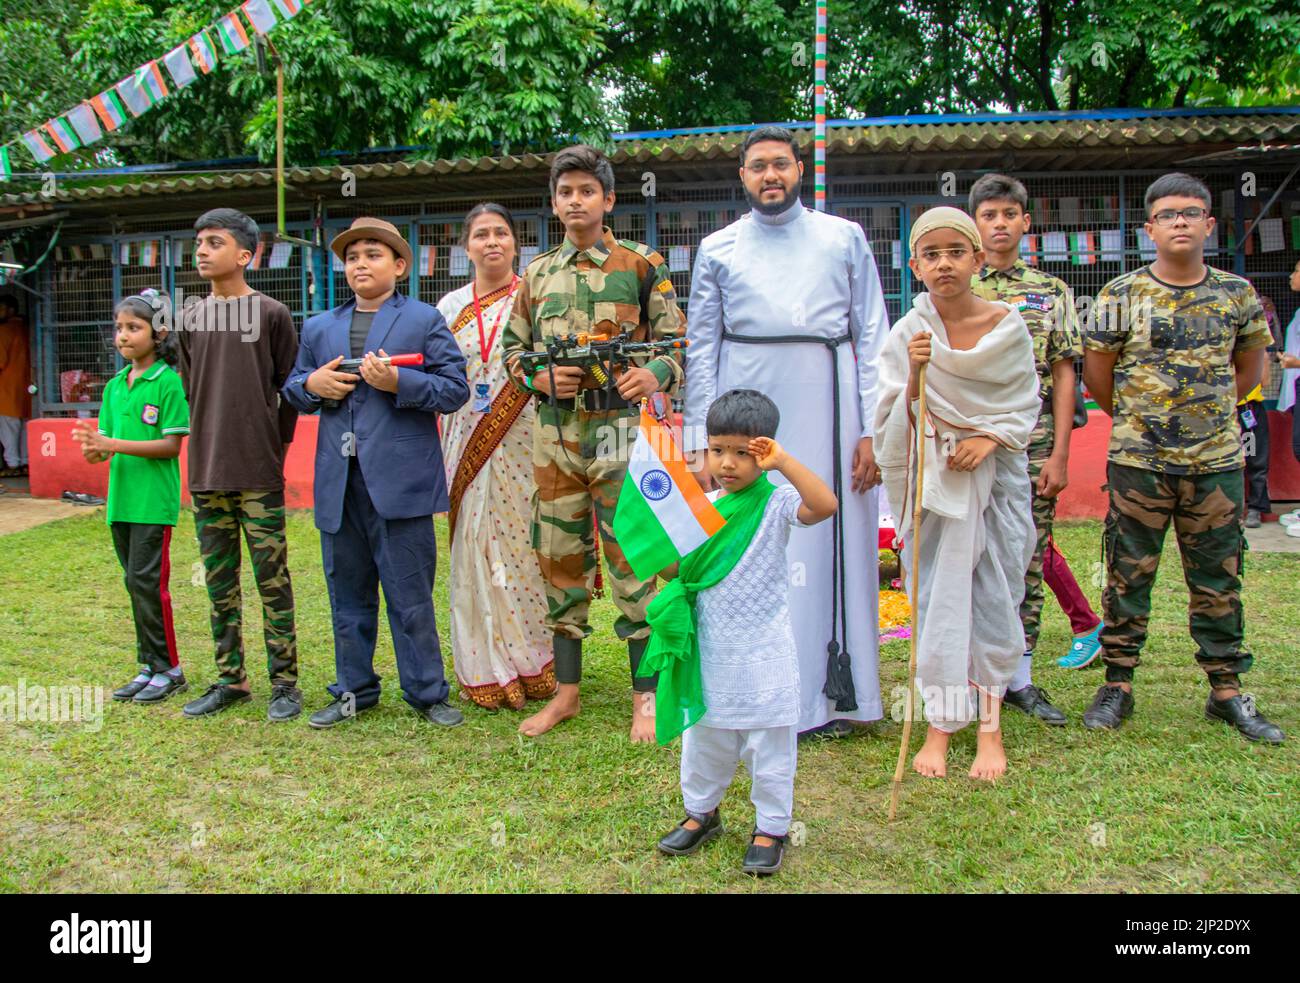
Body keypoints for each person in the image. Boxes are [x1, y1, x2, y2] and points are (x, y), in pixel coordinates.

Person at [684, 124, 888, 736]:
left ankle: (837, 693)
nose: (770, 175)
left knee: (831, 537)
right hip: (746, 401)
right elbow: (701, 343)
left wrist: (873, 427)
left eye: (780, 164)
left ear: (800, 170)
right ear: (741, 177)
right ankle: (755, 692)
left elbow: (873, 331)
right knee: (752, 543)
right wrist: (700, 436)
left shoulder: (843, 237)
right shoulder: (717, 248)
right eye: (757, 167)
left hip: (831, 398)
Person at [1082, 173, 1284, 743]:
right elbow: (1100, 374)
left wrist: (1211, 415)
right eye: (1167, 214)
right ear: (1149, 228)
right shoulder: (1120, 295)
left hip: (1216, 463)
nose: (1179, 222)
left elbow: (1251, 370)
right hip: (1139, 462)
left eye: (1191, 213)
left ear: (1208, 225)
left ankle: (1226, 691)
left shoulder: (1236, 294)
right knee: (1127, 576)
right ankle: (1117, 683)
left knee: (1219, 580)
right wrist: (1138, 418)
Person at [501, 144, 686, 741]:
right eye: (565, 192)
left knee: (634, 561)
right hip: (554, 439)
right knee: (559, 561)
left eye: (587, 191)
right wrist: (538, 376)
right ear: (554, 204)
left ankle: (647, 696)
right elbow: (511, 353)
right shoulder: (535, 275)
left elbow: (677, 344)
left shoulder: (640, 264)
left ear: (608, 200)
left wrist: (651, 375)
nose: (575, 201)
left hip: (619, 434)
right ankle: (567, 694)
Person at [283, 218, 469, 729]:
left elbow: (454, 390)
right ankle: (354, 691)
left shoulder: (424, 319)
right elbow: (294, 388)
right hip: (338, 483)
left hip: (401, 482)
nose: (361, 264)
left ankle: (427, 693)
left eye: (373, 254)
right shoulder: (319, 327)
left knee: (410, 595)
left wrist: (398, 381)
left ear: (399, 266)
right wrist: (315, 384)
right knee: (347, 594)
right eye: (353, 257)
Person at [875, 206, 1039, 781]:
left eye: (955, 252)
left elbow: (1023, 406)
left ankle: (990, 730)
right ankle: (940, 726)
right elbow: (891, 418)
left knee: (993, 597)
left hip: (993, 484)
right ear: (916, 265)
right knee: (936, 601)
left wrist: (989, 439)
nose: (944, 264)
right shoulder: (909, 333)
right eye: (932, 255)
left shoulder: (1008, 326)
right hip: (934, 487)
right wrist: (917, 376)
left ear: (976, 258)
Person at [654, 389, 837, 875]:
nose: (727, 464)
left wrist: (784, 463)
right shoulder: (704, 507)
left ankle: (770, 827)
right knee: (705, 739)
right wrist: (657, 555)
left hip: (764, 650)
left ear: (764, 450)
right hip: (711, 649)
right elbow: (679, 570)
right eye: (718, 450)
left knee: (769, 745)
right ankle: (701, 813)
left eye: (742, 452)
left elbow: (825, 505)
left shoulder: (776, 502)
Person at [969, 173, 1097, 706]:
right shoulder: (956, 283)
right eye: (989, 215)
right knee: (969, 554)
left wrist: (1062, 454)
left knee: (1027, 552)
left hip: (1034, 443)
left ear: (1026, 222)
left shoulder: (1051, 292)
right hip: (968, 442)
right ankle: (971, 674)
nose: (999, 224)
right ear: (975, 223)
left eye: (1008, 215)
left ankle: (1019, 676)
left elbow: (1065, 372)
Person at [175, 208, 303, 722]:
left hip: (258, 471)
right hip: (206, 469)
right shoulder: (188, 318)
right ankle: (232, 679)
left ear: (245, 255)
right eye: (198, 242)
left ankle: (286, 684)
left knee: (272, 578)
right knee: (218, 582)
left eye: (214, 242)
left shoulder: (272, 314)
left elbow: (290, 391)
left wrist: (273, 449)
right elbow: (192, 388)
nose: (202, 250)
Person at [435, 204, 554, 710]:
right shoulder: (449, 307)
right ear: (467, 248)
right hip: (465, 437)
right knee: (473, 549)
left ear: (514, 243)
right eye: (480, 234)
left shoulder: (535, 296)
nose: (491, 242)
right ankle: (483, 667)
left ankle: (532, 663)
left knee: (523, 551)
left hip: (526, 438)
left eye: (501, 233)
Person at [72, 291, 190, 703]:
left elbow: (170, 447)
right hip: (120, 501)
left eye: (133, 327)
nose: (123, 335)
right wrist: (93, 448)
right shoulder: (115, 387)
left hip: (152, 503)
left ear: (158, 334)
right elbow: (104, 447)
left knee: (149, 584)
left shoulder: (168, 382)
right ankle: (149, 666)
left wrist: (112, 443)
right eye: (119, 328)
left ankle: (170, 670)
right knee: (132, 582)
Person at [1238, 287, 1278, 528]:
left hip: (1247, 411)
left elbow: (1265, 381)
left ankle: (1255, 508)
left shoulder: (1256, 342)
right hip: (1226, 411)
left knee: (1253, 457)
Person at [0, 294, 31, 476]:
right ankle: (25, 463)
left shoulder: (4, 331)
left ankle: (12, 465)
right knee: (24, 429)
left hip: (7, 390)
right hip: (27, 390)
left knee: (8, 429)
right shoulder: (27, 329)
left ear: (11, 310)